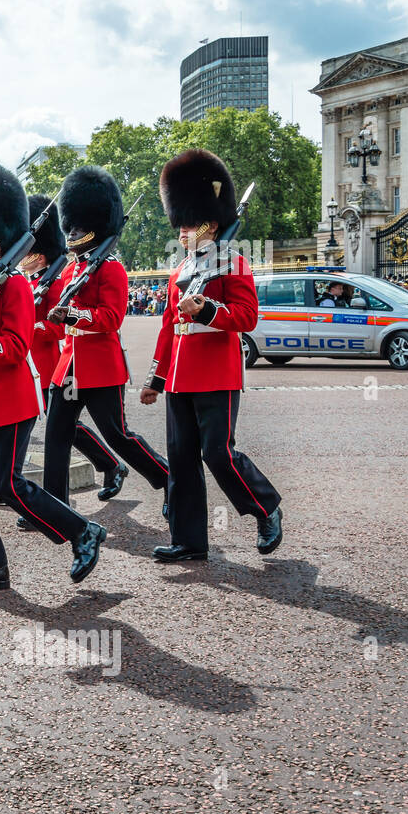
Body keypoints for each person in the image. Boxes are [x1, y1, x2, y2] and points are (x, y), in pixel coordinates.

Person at [0, 163, 106, 590]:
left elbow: (14, 347)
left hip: (13, 401)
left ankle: (82, 531)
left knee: (8, 486)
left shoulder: (12, 285)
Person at [141, 149, 283, 561]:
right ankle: (188, 539)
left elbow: (247, 317)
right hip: (181, 379)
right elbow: (169, 328)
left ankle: (265, 507)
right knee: (182, 460)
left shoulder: (233, 263)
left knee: (217, 453)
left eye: (191, 223)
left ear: (212, 222)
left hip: (218, 373)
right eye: (181, 225)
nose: (184, 231)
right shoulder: (178, 271)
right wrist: (155, 378)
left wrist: (206, 309)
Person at [42, 166, 169, 514]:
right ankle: (55, 506)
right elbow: (59, 322)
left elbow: (111, 318)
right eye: (72, 226)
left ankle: (167, 477)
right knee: (57, 436)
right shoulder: (70, 269)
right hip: (68, 367)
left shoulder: (110, 268)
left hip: (99, 368)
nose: (74, 232)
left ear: (96, 227)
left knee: (118, 436)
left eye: (80, 227)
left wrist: (71, 315)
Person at [17, 193, 125, 531]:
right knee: (58, 434)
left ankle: (129, 467)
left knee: (108, 432)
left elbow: (91, 321)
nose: (25, 260)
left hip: (72, 362)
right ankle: (56, 508)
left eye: (30, 255)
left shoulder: (93, 272)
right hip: (54, 365)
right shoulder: (50, 276)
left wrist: (43, 324)